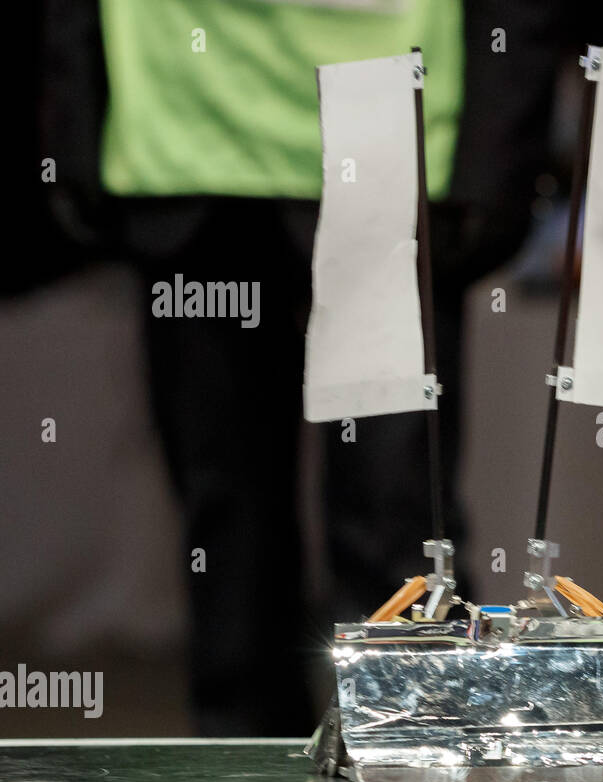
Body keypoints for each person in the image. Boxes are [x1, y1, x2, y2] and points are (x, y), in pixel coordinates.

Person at [41, 0, 563, 734]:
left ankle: (424, 763)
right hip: (185, 140)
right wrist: (74, 101)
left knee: (398, 521)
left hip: (388, 132)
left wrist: (498, 143)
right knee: (224, 521)